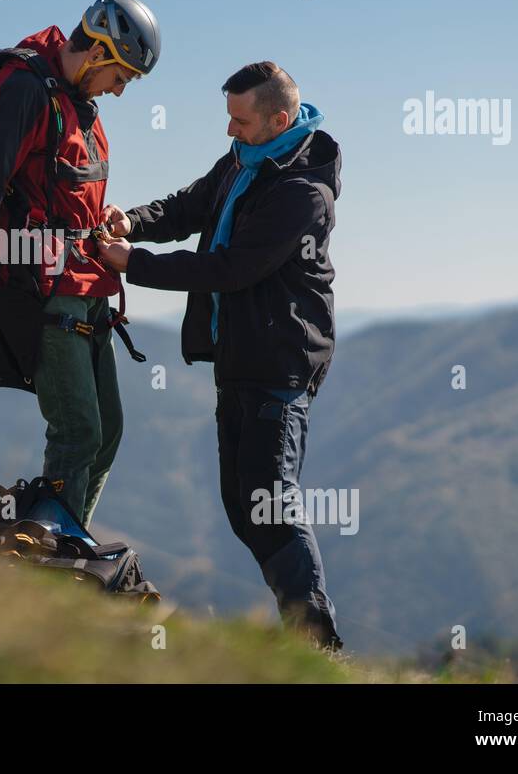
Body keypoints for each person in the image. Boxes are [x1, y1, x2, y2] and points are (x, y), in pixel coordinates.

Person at [96, 61, 343, 650]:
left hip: (279, 368)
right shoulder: (247, 159)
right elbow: (191, 205)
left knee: (271, 505)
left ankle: (318, 646)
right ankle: (300, 635)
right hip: (238, 360)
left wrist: (135, 264)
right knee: (243, 507)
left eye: (240, 120)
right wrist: (131, 221)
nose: (229, 132)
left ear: (279, 119)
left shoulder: (302, 192)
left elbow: (232, 270)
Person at [0, 0, 160, 528]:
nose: (119, 89)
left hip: (90, 285)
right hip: (44, 289)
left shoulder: (79, 104)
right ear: (97, 53)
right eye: (121, 76)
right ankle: (45, 556)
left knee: (107, 430)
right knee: (78, 432)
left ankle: (62, 542)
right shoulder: (22, 88)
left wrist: (101, 216)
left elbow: (61, 188)